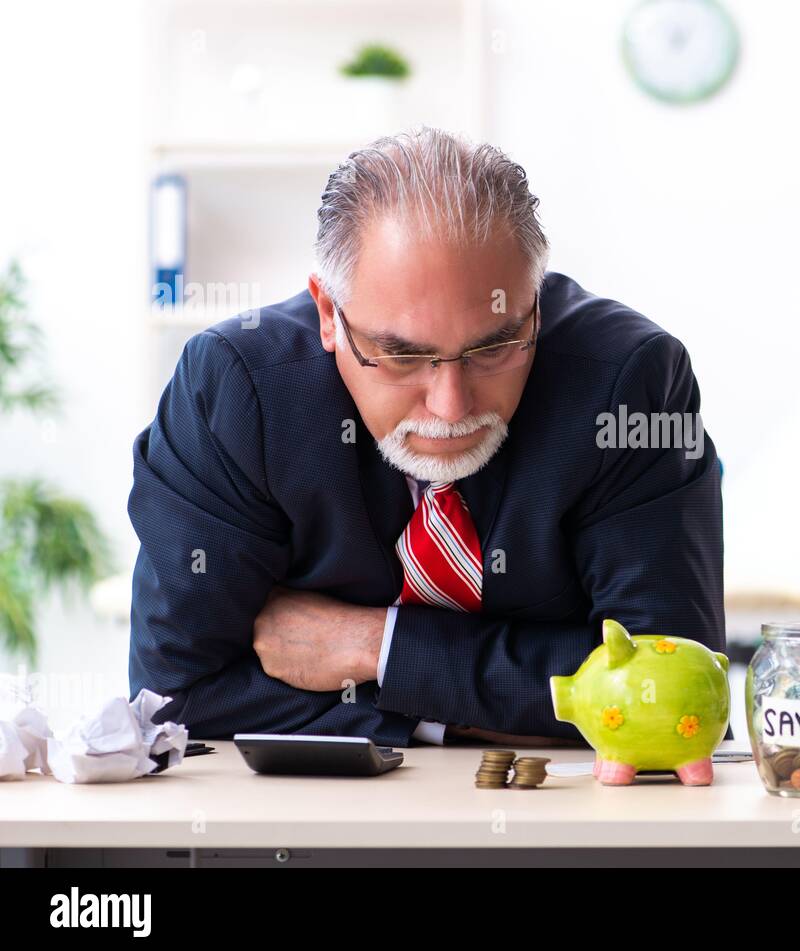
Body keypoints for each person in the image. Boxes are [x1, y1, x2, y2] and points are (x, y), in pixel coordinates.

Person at [127, 127, 724, 748]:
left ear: (534, 308)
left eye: (493, 347)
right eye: (401, 354)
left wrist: (376, 647)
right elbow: (176, 698)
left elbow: (675, 697)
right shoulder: (236, 388)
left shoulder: (630, 381)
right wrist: (474, 712)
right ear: (329, 315)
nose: (450, 406)